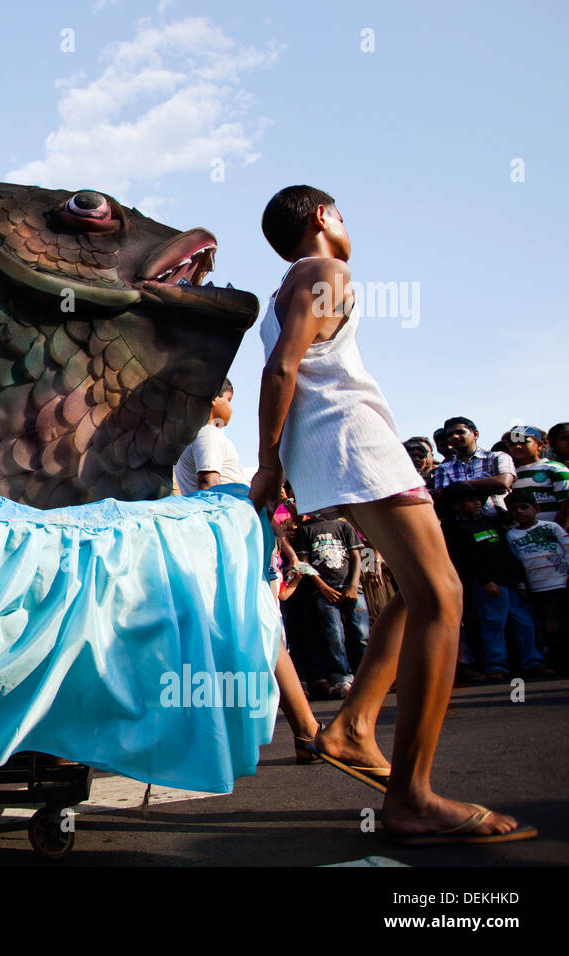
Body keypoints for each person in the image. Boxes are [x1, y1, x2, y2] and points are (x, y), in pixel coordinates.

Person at [250, 185, 533, 843]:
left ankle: (353, 726)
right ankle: (411, 797)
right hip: (355, 443)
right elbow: (282, 367)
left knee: (414, 592)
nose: (349, 224)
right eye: (342, 212)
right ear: (323, 218)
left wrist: (283, 461)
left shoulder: (286, 288)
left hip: (328, 453)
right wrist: (267, 463)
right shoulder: (325, 271)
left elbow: (289, 364)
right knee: (443, 598)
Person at [441, 483, 551, 680]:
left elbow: (506, 555)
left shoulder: (491, 524)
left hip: (509, 582)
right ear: (456, 505)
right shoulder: (454, 530)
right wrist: (485, 581)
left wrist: (519, 582)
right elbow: (467, 561)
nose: (477, 504)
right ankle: (496, 666)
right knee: (493, 624)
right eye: (471, 500)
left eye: (478, 500)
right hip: (487, 585)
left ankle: (533, 662)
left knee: (524, 623)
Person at [292, 514, 369, 694]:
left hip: (351, 586)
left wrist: (353, 584)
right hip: (323, 590)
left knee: (362, 633)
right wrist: (322, 587)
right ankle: (342, 679)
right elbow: (304, 562)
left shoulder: (343, 525)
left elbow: (356, 556)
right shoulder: (306, 529)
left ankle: (367, 676)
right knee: (334, 635)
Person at [505, 488, 569, 669]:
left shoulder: (551, 527)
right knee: (551, 626)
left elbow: (567, 548)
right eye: (514, 509)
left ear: (536, 509)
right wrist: (521, 584)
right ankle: (562, 661)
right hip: (539, 587)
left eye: (524, 507)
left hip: (562, 581)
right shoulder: (512, 535)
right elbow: (516, 563)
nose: (519, 512)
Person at [173, 378, 246, 493]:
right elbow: (208, 484)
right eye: (229, 400)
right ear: (214, 397)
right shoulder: (207, 432)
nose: (231, 409)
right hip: (224, 509)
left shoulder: (188, 438)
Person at [433, 417, 515, 517]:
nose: (454, 437)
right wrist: (489, 485)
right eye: (450, 435)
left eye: (460, 432)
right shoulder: (443, 468)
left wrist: (459, 486)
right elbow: (441, 494)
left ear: (475, 434)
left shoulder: (497, 457)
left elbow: (503, 481)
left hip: (502, 522)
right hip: (465, 527)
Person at [505, 425, 569, 530]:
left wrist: (559, 531)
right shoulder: (511, 474)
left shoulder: (555, 469)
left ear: (540, 445)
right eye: (512, 443)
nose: (517, 446)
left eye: (523, 442)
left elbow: (566, 505)